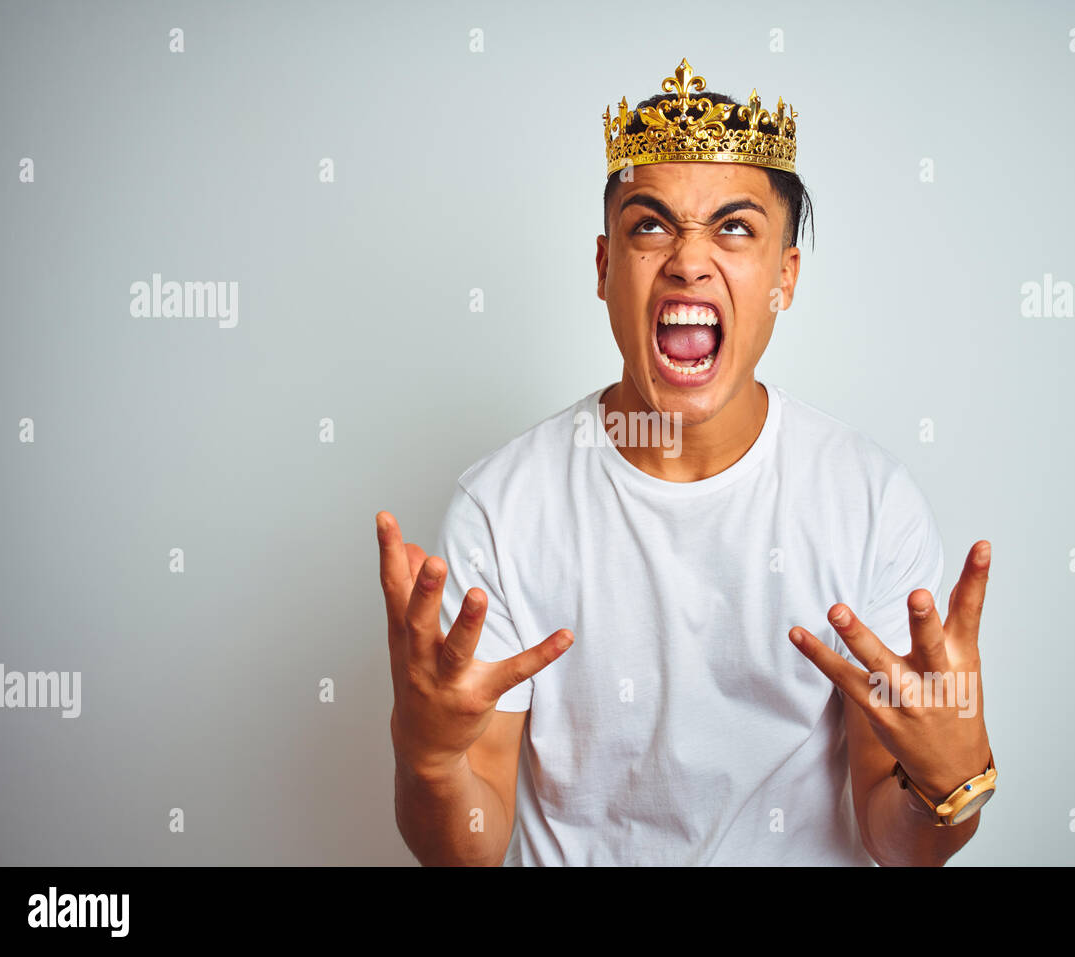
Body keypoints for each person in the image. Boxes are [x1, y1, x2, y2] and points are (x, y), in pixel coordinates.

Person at [378, 58, 996, 866]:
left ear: (785, 277)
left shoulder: (870, 501)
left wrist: (952, 783)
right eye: (651, 224)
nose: (689, 260)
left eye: (735, 227)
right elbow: (471, 847)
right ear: (604, 268)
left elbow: (899, 840)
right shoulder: (502, 506)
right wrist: (427, 762)